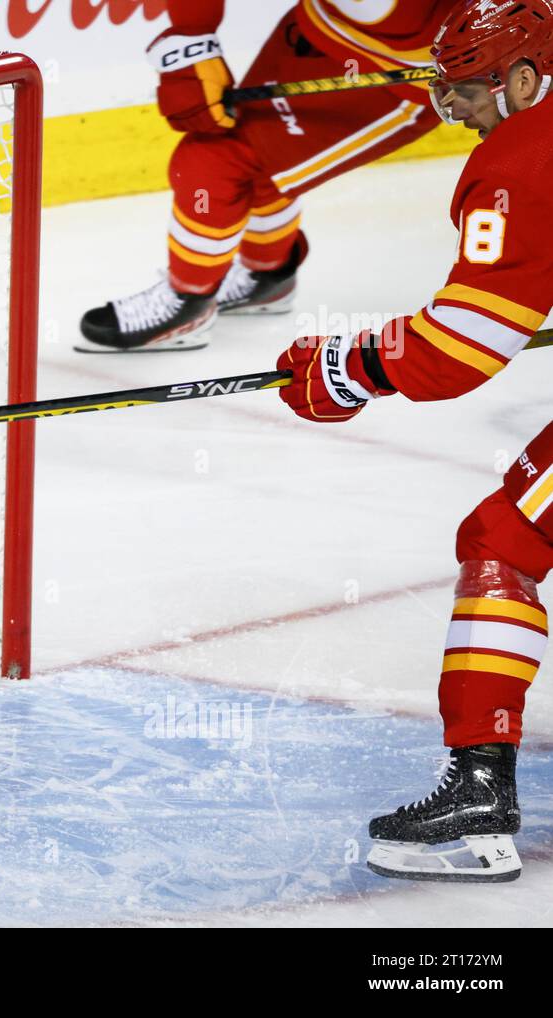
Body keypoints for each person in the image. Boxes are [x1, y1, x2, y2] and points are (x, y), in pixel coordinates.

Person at [274, 0, 553, 882]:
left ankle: (479, 781)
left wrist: (346, 365)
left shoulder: (515, 160)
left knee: (504, 541)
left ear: (522, 80)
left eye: (467, 90)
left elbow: (461, 349)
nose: (452, 108)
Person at [78, 0, 456, 353]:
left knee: (214, 162)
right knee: (258, 164)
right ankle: (266, 275)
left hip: (393, 73)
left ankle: (188, 301)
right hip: (316, 24)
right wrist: (192, 34)